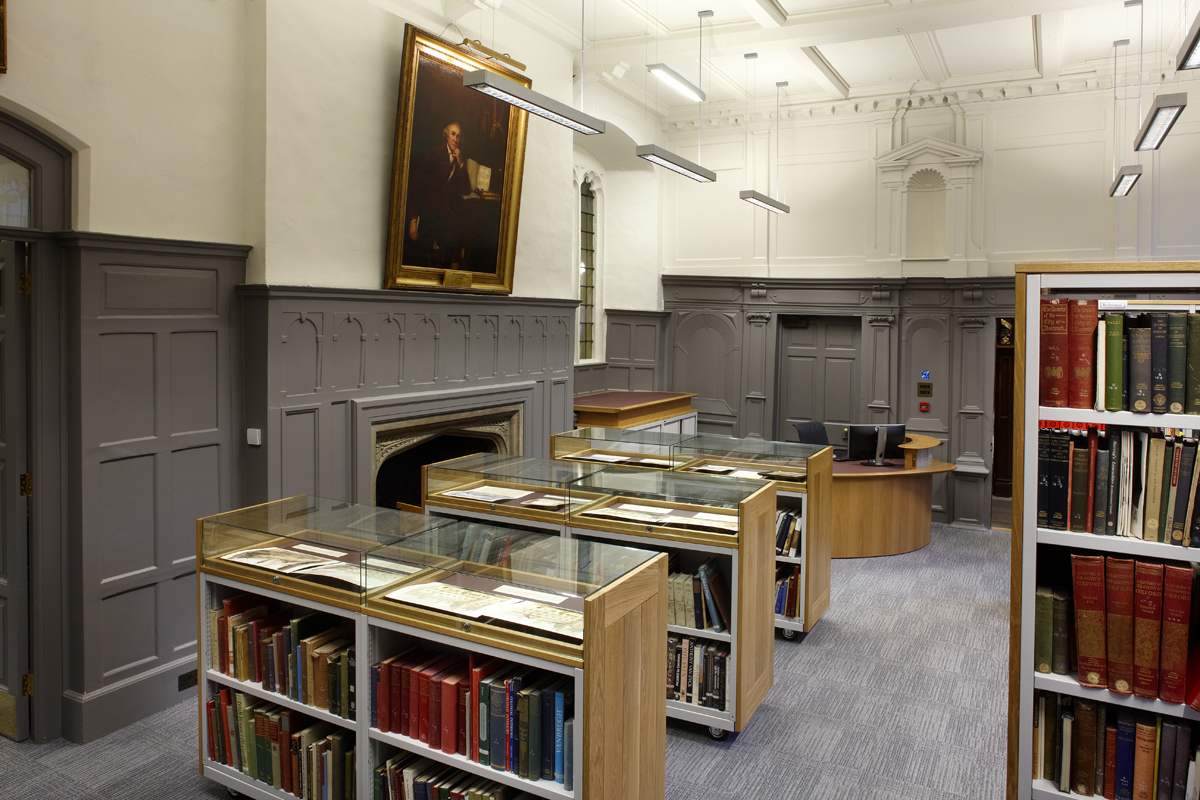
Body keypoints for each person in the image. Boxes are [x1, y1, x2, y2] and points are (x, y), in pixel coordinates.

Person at [405, 121, 476, 267]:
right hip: (428, 212)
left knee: (466, 233)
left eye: (458, 136)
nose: (456, 139)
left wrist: (461, 164)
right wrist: (413, 219)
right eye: (453, 134)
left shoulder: (458, 159)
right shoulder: (434, 153)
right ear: (446, 136)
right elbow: (417, 186)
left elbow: (465, 190)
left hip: (445, 215)